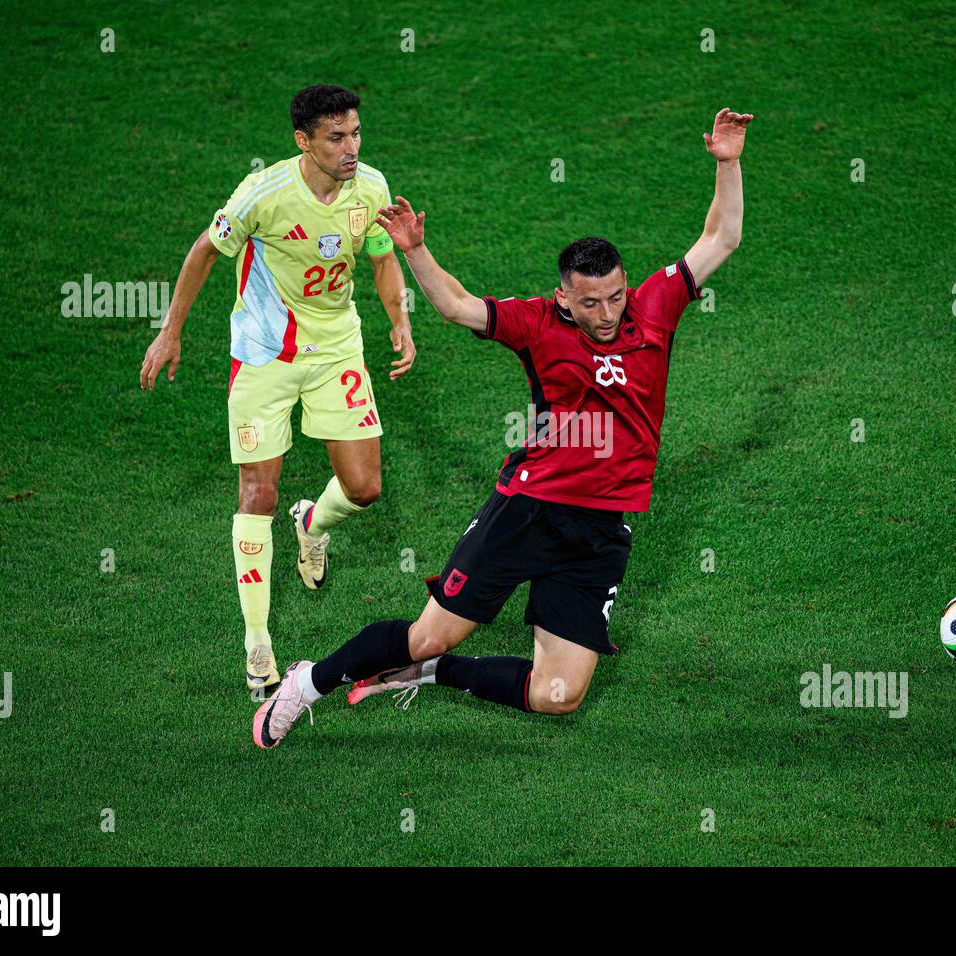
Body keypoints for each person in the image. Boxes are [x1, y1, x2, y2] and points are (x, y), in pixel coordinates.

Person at [253, 108, 753, 749]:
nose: (606, 313)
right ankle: (306, 684)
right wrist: (415, 251)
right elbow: (458, 305)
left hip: (600, 530)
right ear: (564, 296)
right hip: (529, 509)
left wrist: (728, 163)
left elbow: (721, 238)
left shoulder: (655, 308)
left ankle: (434, 675)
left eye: (615, 297)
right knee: (426, 634)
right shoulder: (537, 323)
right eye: (590, 302)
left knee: (558, 695)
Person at [140, 85, 416, 691]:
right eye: (336, 138)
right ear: (304, 141)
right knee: (257, 494)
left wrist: (399, 318)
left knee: (365, 488)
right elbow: (203, 252)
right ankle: (258, 642)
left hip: (336, 349)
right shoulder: (263, 193)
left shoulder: (370, 188)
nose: (351, 148)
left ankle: (312, 523)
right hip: (264, 356)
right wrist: (171, 331)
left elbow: (381, 256)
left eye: (356, 133)